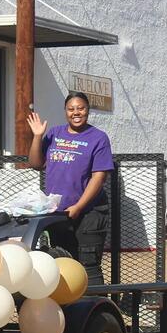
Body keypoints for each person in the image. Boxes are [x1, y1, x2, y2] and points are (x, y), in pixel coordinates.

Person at [27, 92, 114, 285]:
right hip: (59, 213)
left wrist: (79, 206)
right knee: (63, 263)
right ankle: (70, 304)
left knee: (88, 266)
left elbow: (99, 177)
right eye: (71, 109)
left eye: (80, 108)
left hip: (89, 213)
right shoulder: (54, 134)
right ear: (65, 111)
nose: (76, 112)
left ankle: (95, 304)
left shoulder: (98, 138)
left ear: (88, 110)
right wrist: (37, 136)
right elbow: (35, 163)